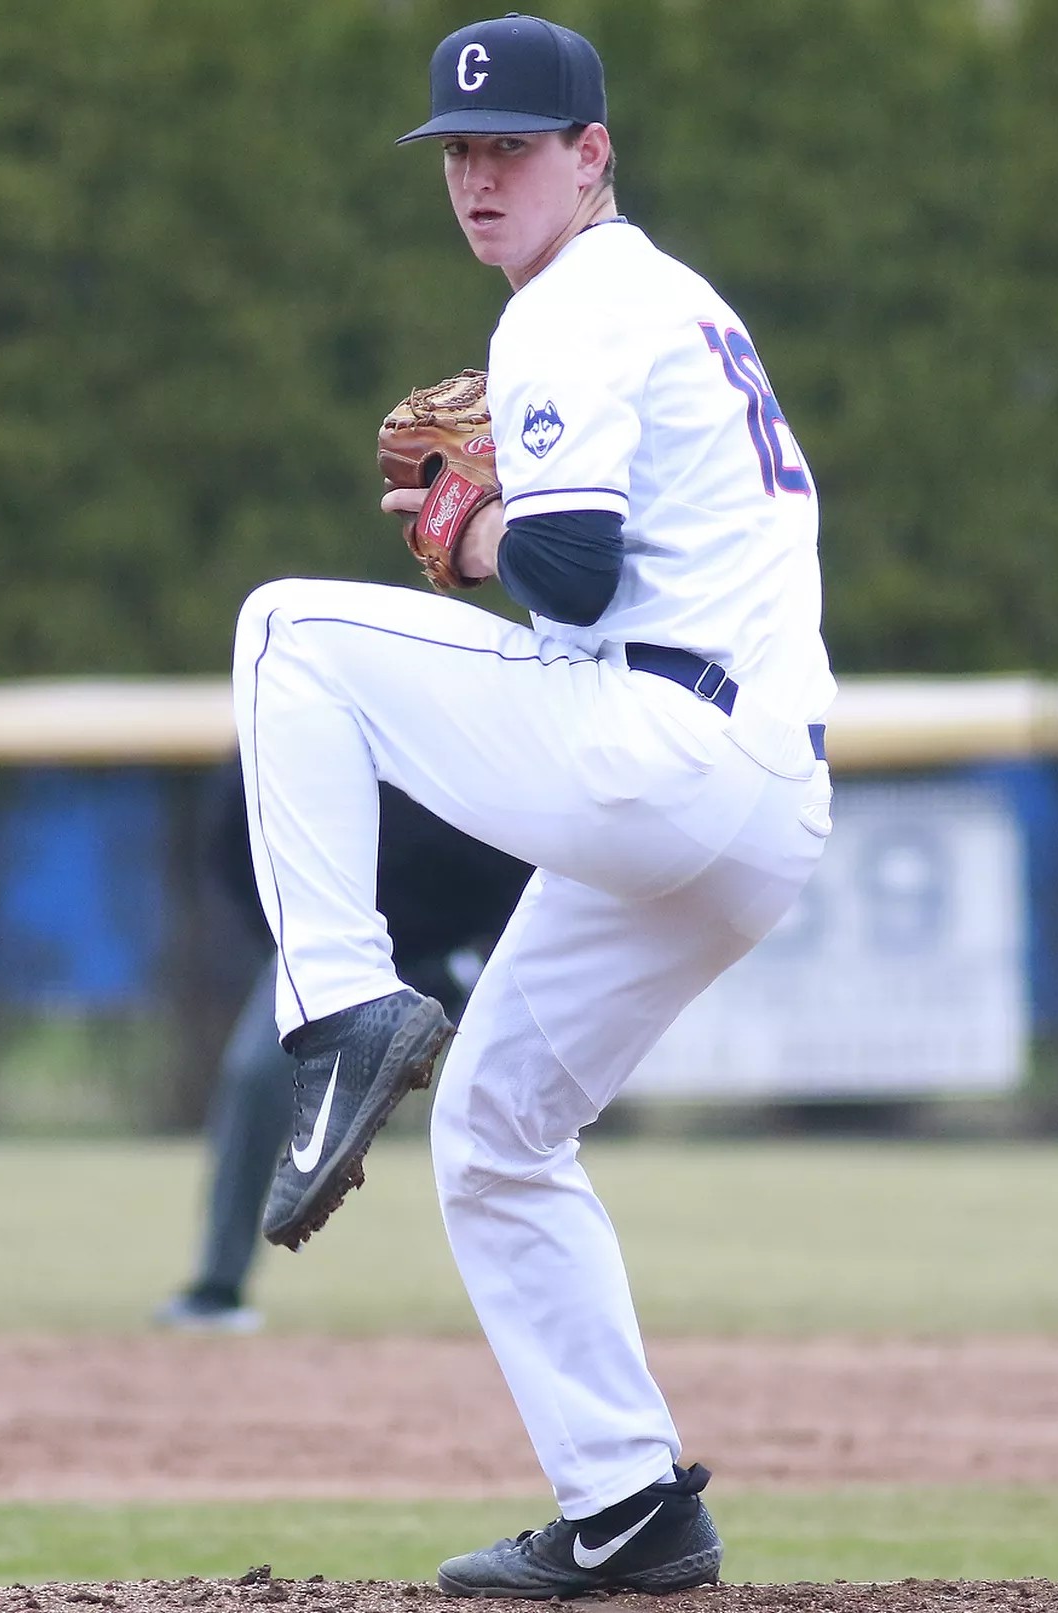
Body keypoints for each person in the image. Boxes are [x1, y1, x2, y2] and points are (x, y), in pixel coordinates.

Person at [230, 14, 835, 1598]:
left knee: (289, 633)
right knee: (495, 1129)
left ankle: (340, 1003)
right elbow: (610, 572)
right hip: (757, 801)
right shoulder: (678, 302)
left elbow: (566, 569)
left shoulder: (569, 307)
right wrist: (496, 522)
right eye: (459, 152)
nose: (480, 178)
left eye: (513, 148)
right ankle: (632, 1506)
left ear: (593, 155)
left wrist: (467, 526)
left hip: (663, 749)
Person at [155, 763, 531, 1333]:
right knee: (255, 1075)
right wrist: (291, 936)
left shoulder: (466, 730)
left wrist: (472, 960)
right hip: (336, 951)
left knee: (514, 1099)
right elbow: (235, 835)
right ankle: (217, 1286)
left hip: (463, 957)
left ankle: (533, 1294)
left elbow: (528, 856)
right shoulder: (307, 717)